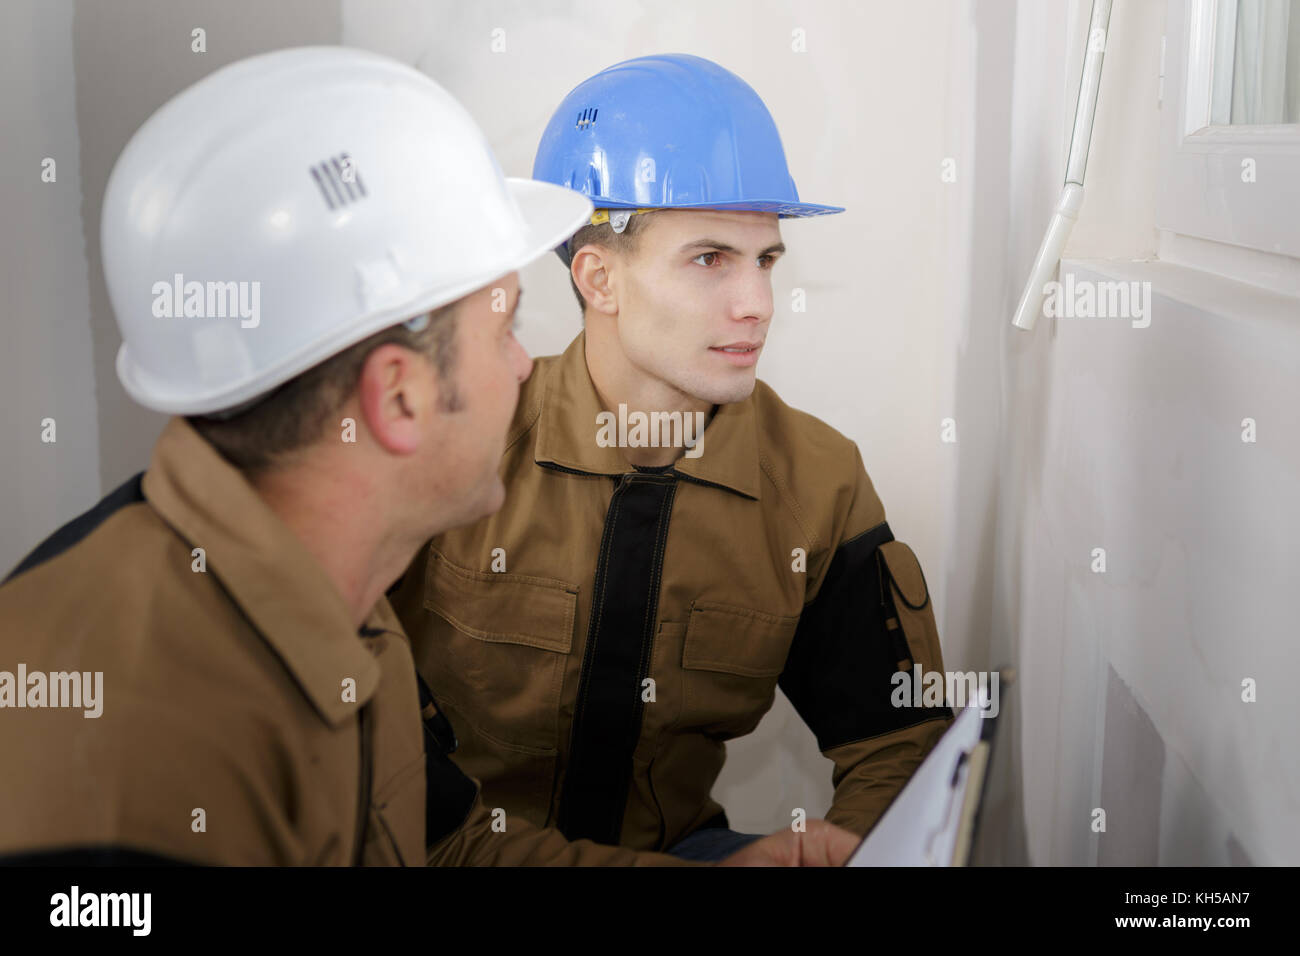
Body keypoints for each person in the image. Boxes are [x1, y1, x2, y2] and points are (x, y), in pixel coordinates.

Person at [0, 47, 857, 868]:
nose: (527, 365)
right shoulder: (124, 732)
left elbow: (447, 845)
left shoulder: (341, 594)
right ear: (399, 397)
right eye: (505, 328)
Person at [390, 53, 955, 862]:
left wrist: (849, 852)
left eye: (766, 260)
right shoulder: (462, 442)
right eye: (709, 259)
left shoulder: (817, 484)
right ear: (599, 278)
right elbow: (358, 753)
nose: (756, 303)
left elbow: (898, 742)